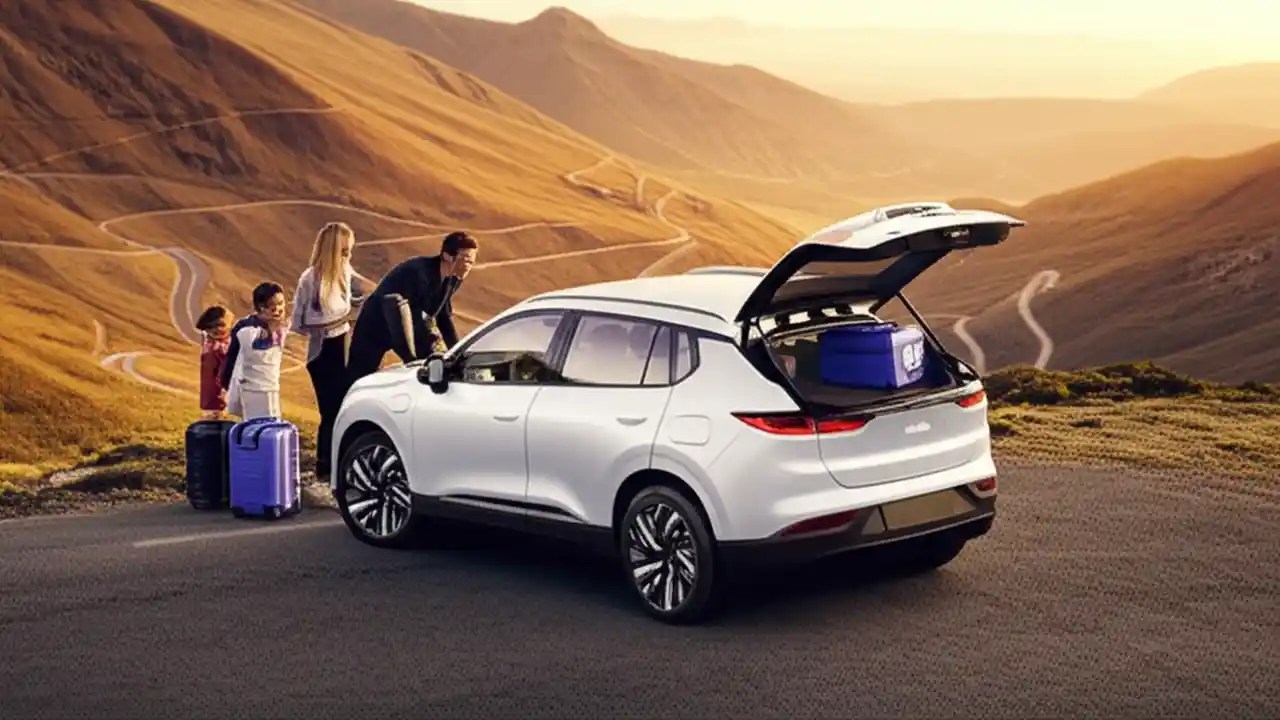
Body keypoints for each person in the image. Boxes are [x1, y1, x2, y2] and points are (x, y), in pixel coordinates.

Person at [290, 221, 373, 480]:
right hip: (323, 352)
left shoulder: (344, 270)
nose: (348, 256)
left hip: (344, 344)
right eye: (344, 251)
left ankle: (344, 465)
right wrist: (345, 318)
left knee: (348, 408)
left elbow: (363, 286)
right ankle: (325, 469)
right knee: (331, 412)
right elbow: (299, 323)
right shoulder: (310, 279)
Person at [345, 231, 478, 388]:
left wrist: (457, 353)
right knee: (357, 380)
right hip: (376, 326)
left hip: (409, 326)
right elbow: (410, 315)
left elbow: (444, 316)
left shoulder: (453, 278)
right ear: (447, 256)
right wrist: (415, 356)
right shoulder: (418, 273)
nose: (469, 266)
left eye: (472, 261)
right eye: (465, 259)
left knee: (434, 369)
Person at [222, 282, 290, 420]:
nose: (280, 309)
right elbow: (233, 357)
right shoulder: (246, 328)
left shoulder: (279, 326)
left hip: (271, 385)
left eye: (282, 303)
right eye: (274, 305)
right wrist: (227, 385)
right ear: (261, 307)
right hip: (251, 390)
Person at [195, 304, 232, 419]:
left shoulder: (214, 344)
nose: (218, 329)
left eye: (221, 325)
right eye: (212, 327)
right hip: (216, 402)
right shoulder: (215, 347)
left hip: (217, 400)